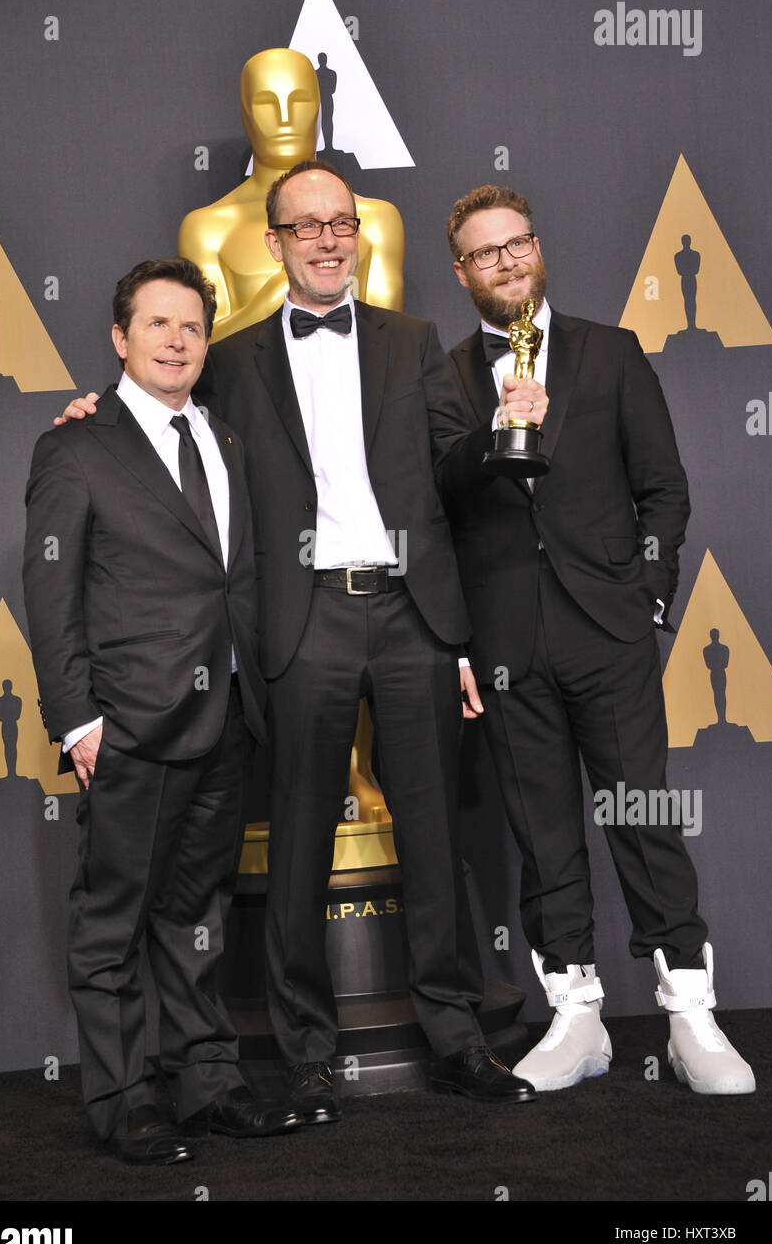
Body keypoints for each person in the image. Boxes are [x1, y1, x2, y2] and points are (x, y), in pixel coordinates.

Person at [57, 165, 538, 1119]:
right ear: (272, 243)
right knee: (297, 848)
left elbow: (450, 474)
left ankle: (454, 1036)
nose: (326, 239)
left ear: (356, 235)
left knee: (435, 842)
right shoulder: (226, 360)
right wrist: (89, 411)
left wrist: (499, 432)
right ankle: (307, 1053)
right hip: (297, 620)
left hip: (412, 617)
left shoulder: (415, 341)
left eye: (339, 223)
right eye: (303, 226)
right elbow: (159, 425)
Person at [438, 184, 755, 1096]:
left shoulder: (611, 353)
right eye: (485, 251)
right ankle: (574, 1019)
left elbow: (664, 487)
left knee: (641, 818)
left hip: (607, 630)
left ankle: (689, 1015)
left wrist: (648, 599)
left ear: (537, 249)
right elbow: (435, 503)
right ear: (460, 271)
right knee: (542, 835)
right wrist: (500, 431)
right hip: (504, 641)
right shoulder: (445, 376)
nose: (506, 261)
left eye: (518, 243)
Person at [24, 257, 297, 1163]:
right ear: (119, 338)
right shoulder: (74, 445)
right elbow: (51, 592)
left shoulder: (223, 440)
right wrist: (77, 720)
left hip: (224, 720)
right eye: (156, 325)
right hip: (129, 725)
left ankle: (207, 1085)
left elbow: (237, 579)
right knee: (113, 922)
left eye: (191, 327)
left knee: (198, 913)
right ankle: (123, 1101)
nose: (176, 340)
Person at [178, 48, 404, 340]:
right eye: (265, 103)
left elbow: (392, 343)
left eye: (299, 101)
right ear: (245, 113)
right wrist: (281, 294)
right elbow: (207, 349)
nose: (285, 119)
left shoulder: (376, 222)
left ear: (320, 108)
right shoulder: (208, 230)